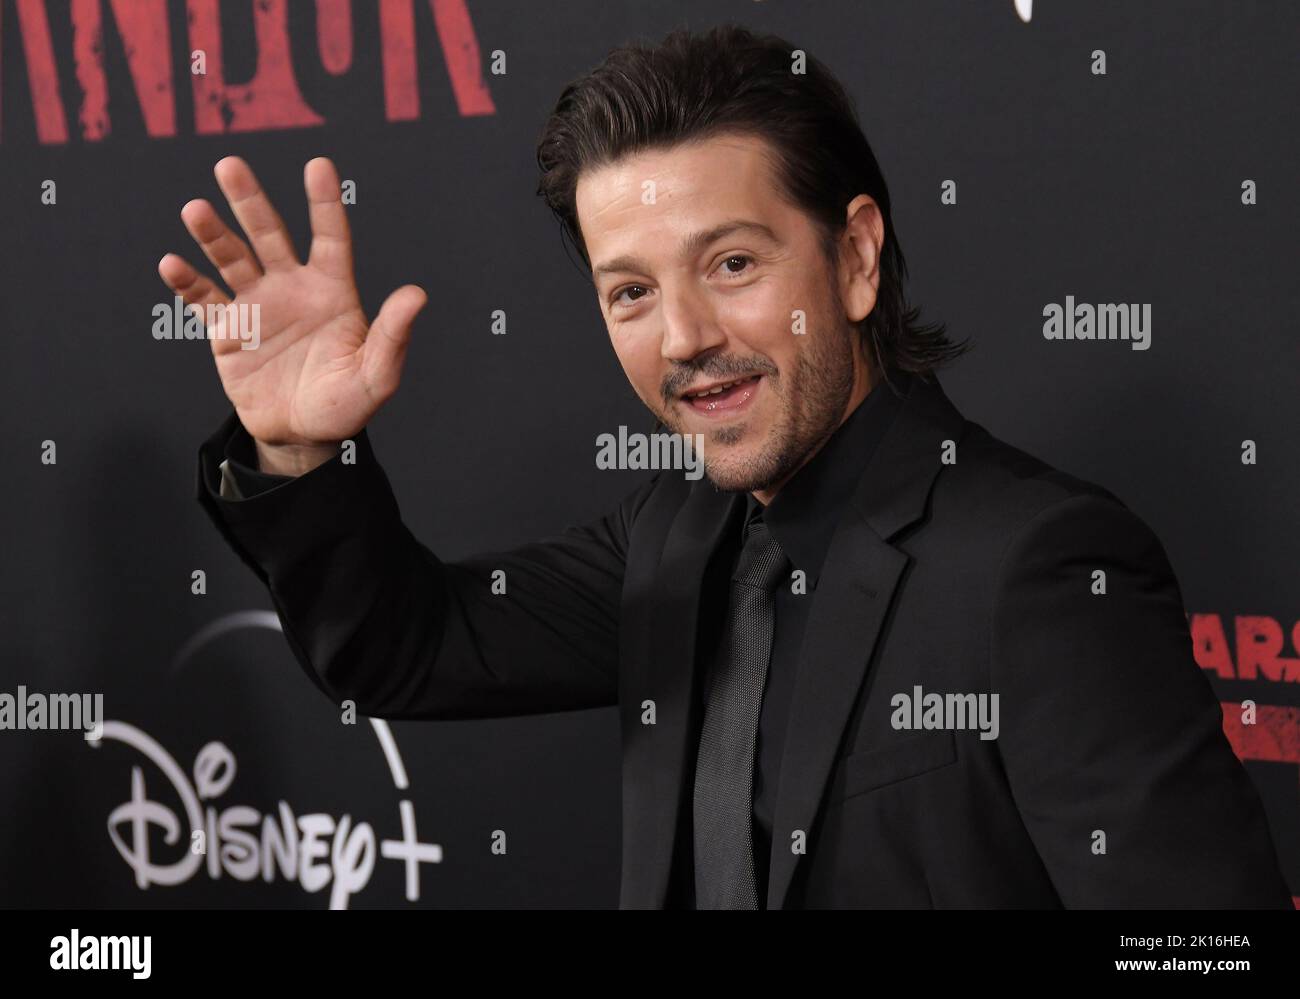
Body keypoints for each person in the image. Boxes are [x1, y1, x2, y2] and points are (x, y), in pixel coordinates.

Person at [162, 24, 1291, 909]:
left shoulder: (1037, 567)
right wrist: (300, 447)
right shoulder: (673, 539)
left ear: (855, 258)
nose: (684, 335)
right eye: (631, 293)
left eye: (734, 262)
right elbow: (398, 653)